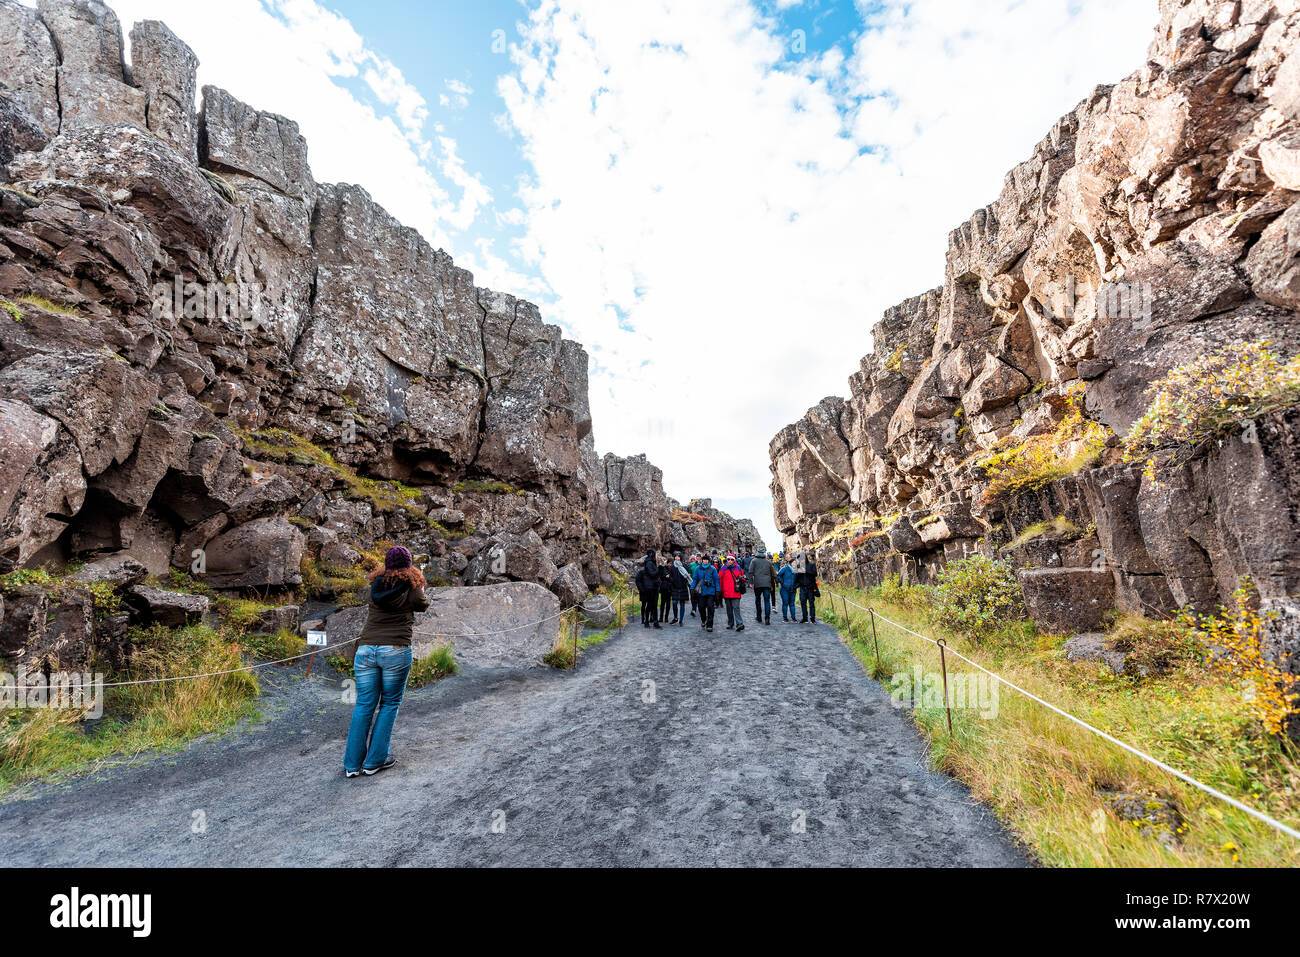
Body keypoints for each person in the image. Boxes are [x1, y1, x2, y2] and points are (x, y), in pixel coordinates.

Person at [343, 546, 429, 778]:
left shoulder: (376, 585)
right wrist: (420, 585)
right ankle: (375, 761)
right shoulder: (412, 586)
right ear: (408, 565)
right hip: (395, 649)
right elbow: (423, 605)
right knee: (389, 704)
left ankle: (352, 765)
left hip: (366, 649)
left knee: (364, 705)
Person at [691, 556, 720, 633]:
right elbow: (695, 579)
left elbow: (716, 580)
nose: (705, 561)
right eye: (704, 559)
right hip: (701, 592)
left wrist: (717, 590)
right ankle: (703, 620)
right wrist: (692, 588)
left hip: (711, 591)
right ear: (702, 560)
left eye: (707, 560)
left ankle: (710, 625)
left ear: (709, 561)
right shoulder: (698, 568)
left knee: (710, 607)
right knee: (701, 607)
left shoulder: (713, 569)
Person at [635, 550, 662, 629]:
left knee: (653, 605)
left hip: (654, 587)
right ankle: (647, 621)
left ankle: (654, 622)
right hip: (650, 588)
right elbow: (652, 574)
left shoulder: (650, 562)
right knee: (650, 605)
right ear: (652, 554)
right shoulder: (649, 563)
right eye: (655, 554)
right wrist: (659, 569)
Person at [719, 554, 746, 632]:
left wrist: (742, 578)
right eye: (729, 559)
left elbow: (743, 578)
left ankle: (739, 623)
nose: (730, 561)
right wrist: (720, 590)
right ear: (727, 560)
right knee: (729, 609)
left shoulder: (738, 568)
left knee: (736, 608)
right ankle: (730, 623)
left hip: (736, 591)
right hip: (726, 592)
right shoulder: (723, 568)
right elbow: (719, 579)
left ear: (734, 560)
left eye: (732, 559)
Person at [748, 549, 774, 625]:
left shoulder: (754, 561)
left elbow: (750, 572)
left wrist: (751, 582)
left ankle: (759, 616)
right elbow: (772, 574)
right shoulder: (768, 562)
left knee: (758, 600)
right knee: (767, 601)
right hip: (767, 584)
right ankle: (767, 618)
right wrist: (772, 584)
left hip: (758, 584)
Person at [670, 554, 692, 626]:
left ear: (681, 558)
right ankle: (675, 618)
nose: (676, 557)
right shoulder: (673, 567)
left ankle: (681, 620)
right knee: (674, 602)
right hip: (675, 587)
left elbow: (689, 574)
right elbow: (671, 576)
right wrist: (673, 581)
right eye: (675, 556)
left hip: (683, 587)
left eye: (678, 556)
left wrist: (685, 581)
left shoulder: (685, 566)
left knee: (682, 604)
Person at [797, 553, 819, 624]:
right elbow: (797, 577)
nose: (801, 560)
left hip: (811, 587)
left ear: (805, 558)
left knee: (811, 603)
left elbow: (815, 574)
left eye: (802, 559)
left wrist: (805, 570)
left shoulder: (812, 565)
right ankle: (805, 618)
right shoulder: (798, 566)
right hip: (802, 587)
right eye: (800, 559)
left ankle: (813, 618)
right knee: (803, 603)